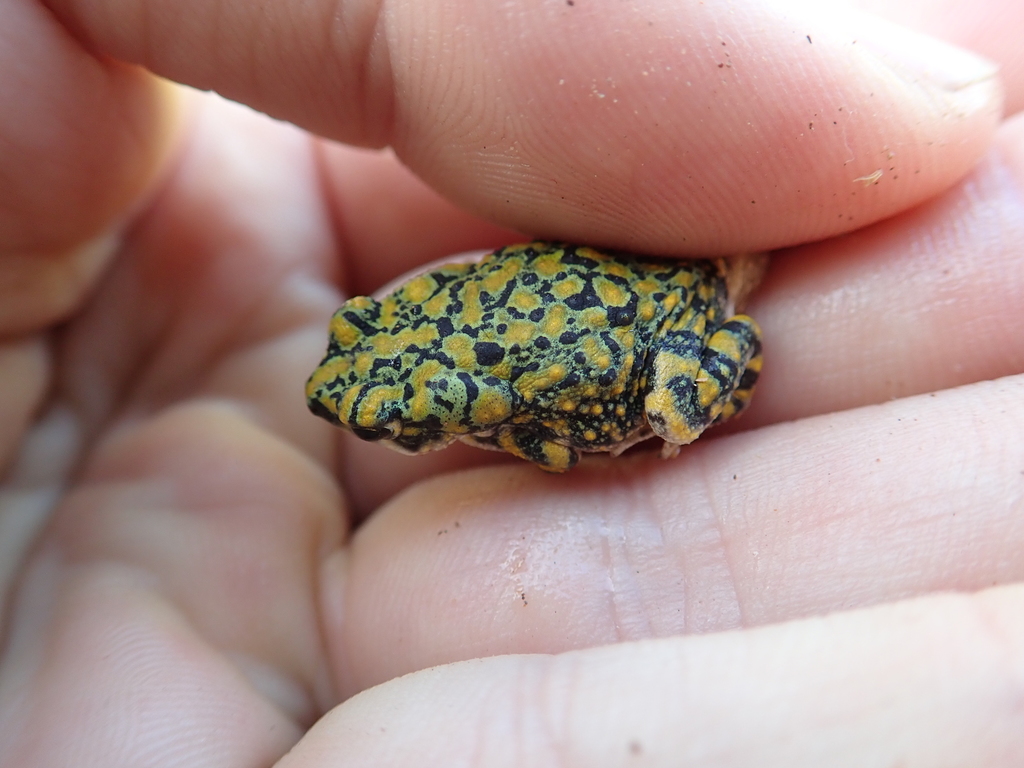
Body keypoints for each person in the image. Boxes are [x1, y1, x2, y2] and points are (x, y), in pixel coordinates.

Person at [1, 0, 1022, 763]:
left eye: (392, 418)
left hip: (681, 316)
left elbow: (553, 445)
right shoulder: (441, 327)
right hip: (609, 286)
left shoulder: (497, 402)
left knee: (672, 406)